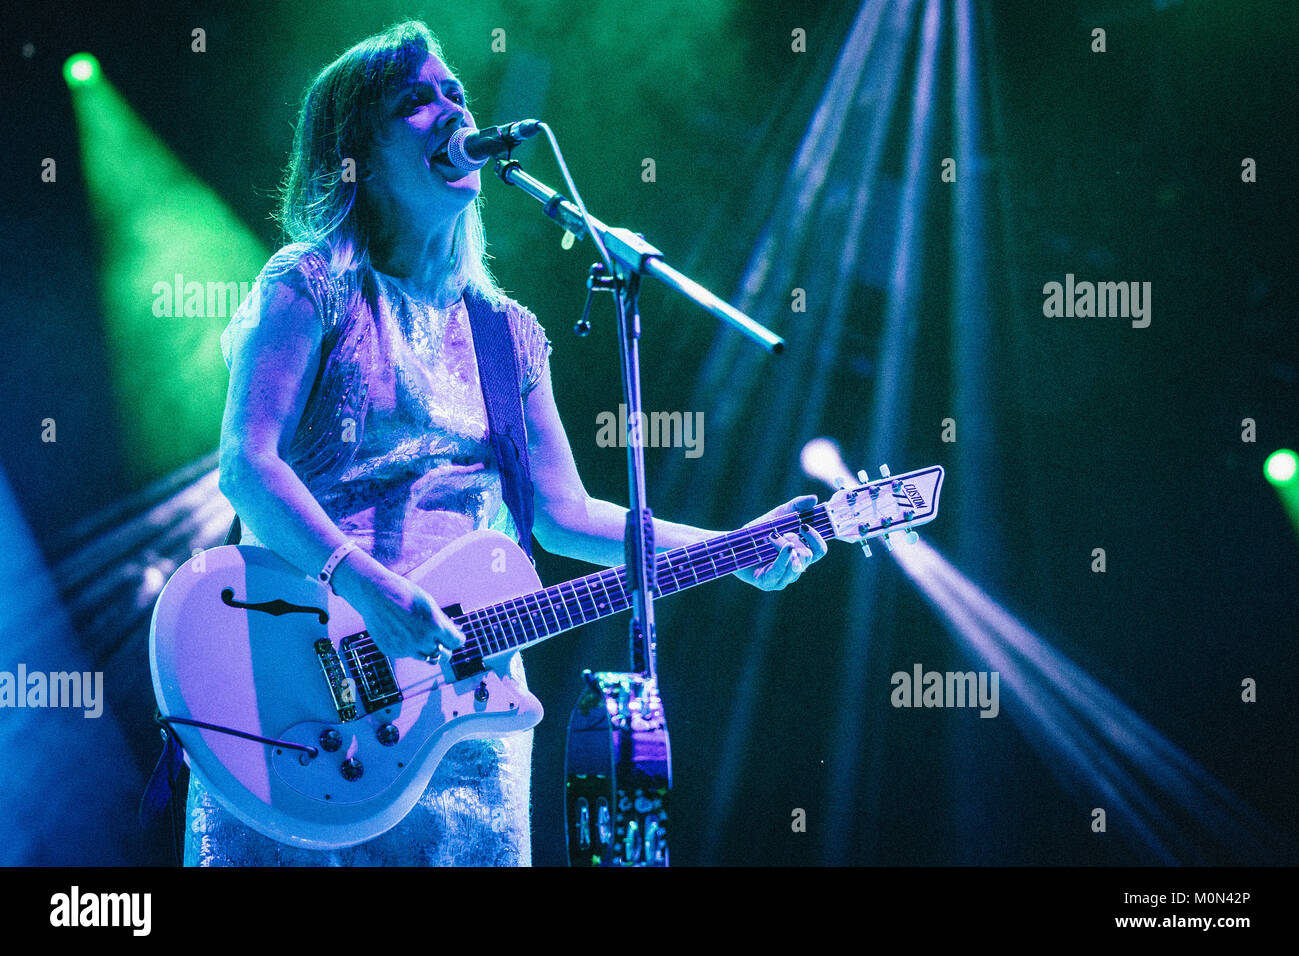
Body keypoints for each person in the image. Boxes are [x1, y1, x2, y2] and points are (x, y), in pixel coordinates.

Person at [186, 20, 826, 866]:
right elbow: (248, 466)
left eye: (455, 92)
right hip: (298, 684)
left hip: (465, 710)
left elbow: (563, 517)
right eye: (416, 100)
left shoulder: (507, 335)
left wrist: (736, 548)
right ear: (359, 153)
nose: (451, 109)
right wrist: (370, 588)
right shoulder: (310, 282)